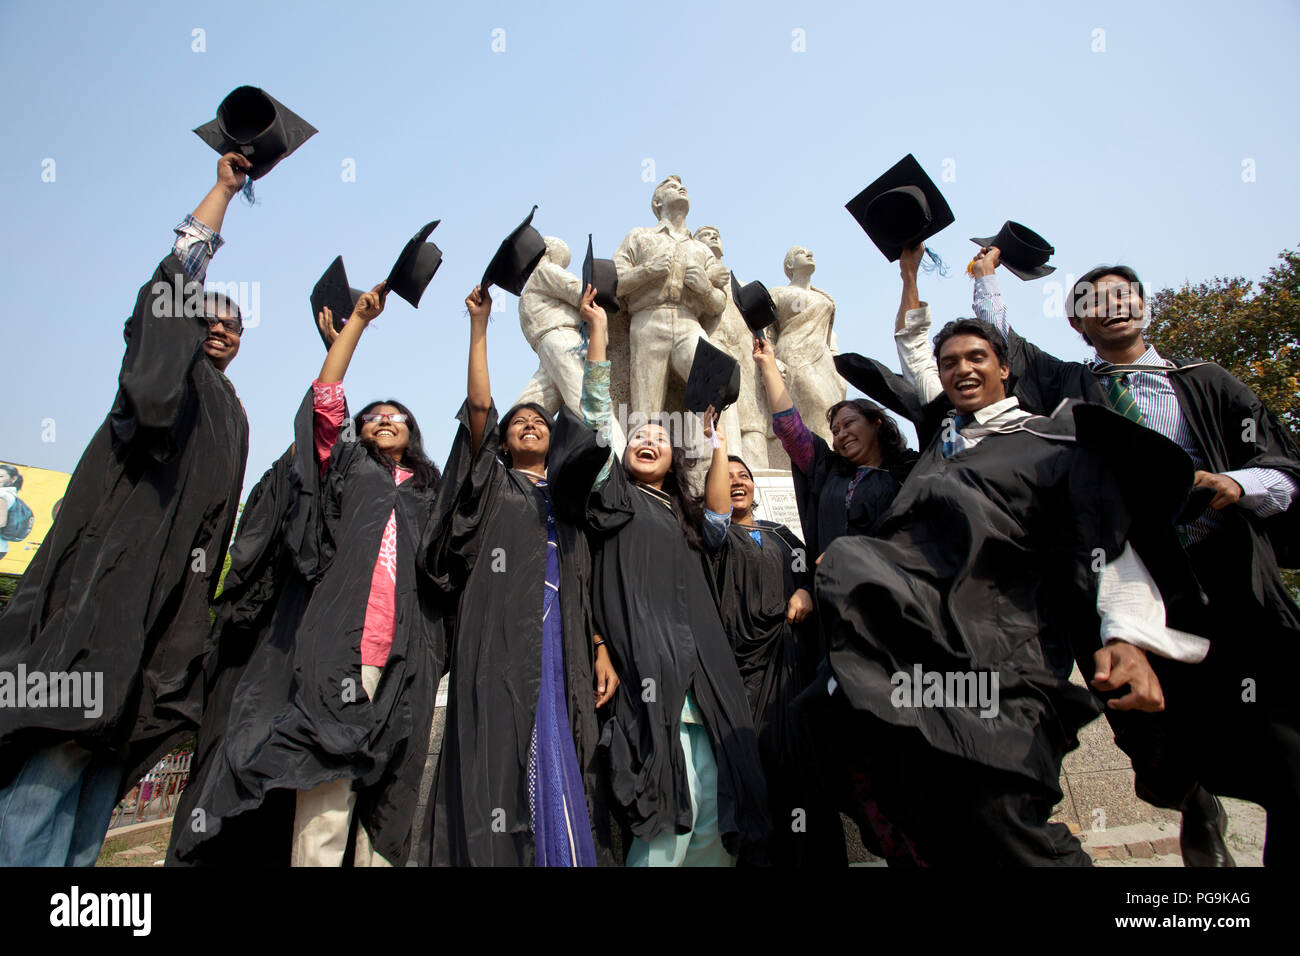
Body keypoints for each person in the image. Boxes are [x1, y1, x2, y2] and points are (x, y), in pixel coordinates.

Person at [920, 249, 1300, 866]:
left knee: (1288, 755)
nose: (1112, 307)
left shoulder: (1208, 383)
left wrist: (1237, 484)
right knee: (1154, 751)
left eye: (1123, 296)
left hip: (1225, 583)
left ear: (1144, 307)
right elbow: (1001, 345)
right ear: (1077, 324)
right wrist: (985, 276)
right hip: (1116, 583)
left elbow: (1285, 469)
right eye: (1093, 302)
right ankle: (1190, 798)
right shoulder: (1073, 389)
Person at [818, 315, 1213, 865]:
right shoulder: (938, 451)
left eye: (976, 357)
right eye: (949, 362)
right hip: (928, 652)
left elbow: (1106, 540)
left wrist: (1126, 636)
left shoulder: (1054, 441)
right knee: (914, 796)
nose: (963, 368)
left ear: (1005, 367)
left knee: (1000, 810)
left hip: (1010, 651)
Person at [0, 154, 252, 867]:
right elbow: (169, 296)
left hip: (159, 617)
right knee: (56, 755)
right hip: (106, 588)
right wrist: (221, 198)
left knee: (102, 771)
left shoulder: (230, 413)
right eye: (207, 317)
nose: (222, 329)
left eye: (235, 326)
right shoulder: (166, 379)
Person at [173, 284, 445, 867]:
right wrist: (355, 330)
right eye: (373, 416)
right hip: (340, 644)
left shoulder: (430, 490)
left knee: (391, 785)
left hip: (407, 649)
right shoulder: (348, 468)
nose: (385, 420)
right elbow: (326, 401)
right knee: (327, 779)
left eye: (397, 416)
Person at [570, 285, 770, 866]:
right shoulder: (614, 499)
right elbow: (595, 420)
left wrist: (716, 440)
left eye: (660, 436)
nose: (650, 440)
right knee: (664, 818)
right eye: (640, 437)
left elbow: (716, 520)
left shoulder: (681, 516)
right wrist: (599, 333)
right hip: (648, 659)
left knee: (714, 811)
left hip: (704, 667)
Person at [420, 284, 618, 867]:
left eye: (540, 420)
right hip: (499, 629)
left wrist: (597, 332)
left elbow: (597, 419)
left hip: (562, 633)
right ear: (503, 442)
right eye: (519, 421)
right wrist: (479, 328)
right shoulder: (490, 483)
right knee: (496, 748)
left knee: (559, 740)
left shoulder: (568, 495)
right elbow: (478, 408)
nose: (530, 422)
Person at [709, 454, 845, 866]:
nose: (737, 482)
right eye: (728, 477)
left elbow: (814, 574)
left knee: (804, 770)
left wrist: (805, 590)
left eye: (744, 476)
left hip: (792, 669)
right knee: (758, 769)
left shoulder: (783, 535)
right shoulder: (712, 539)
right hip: (743, 673)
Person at [755, 336, 915, 567]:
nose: (841, 434)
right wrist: (768, 364)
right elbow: (790, 429)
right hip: (830, 588)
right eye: (835, 431)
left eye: (849, 424)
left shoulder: (908, 472)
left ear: (876, 423)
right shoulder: (828, 470)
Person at [613, 176, 740, 444]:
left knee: (716, 388)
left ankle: (722, 461)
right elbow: (615, 284)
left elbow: (719, 304)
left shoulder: (701, 249)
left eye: (683, 186)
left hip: (689, 322)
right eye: (670, 186)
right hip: (648, 319)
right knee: (645, 410)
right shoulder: (640, 236)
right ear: (657, 202)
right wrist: (647, 271)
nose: (680, 188)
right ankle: (640, 475)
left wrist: (705, 288)